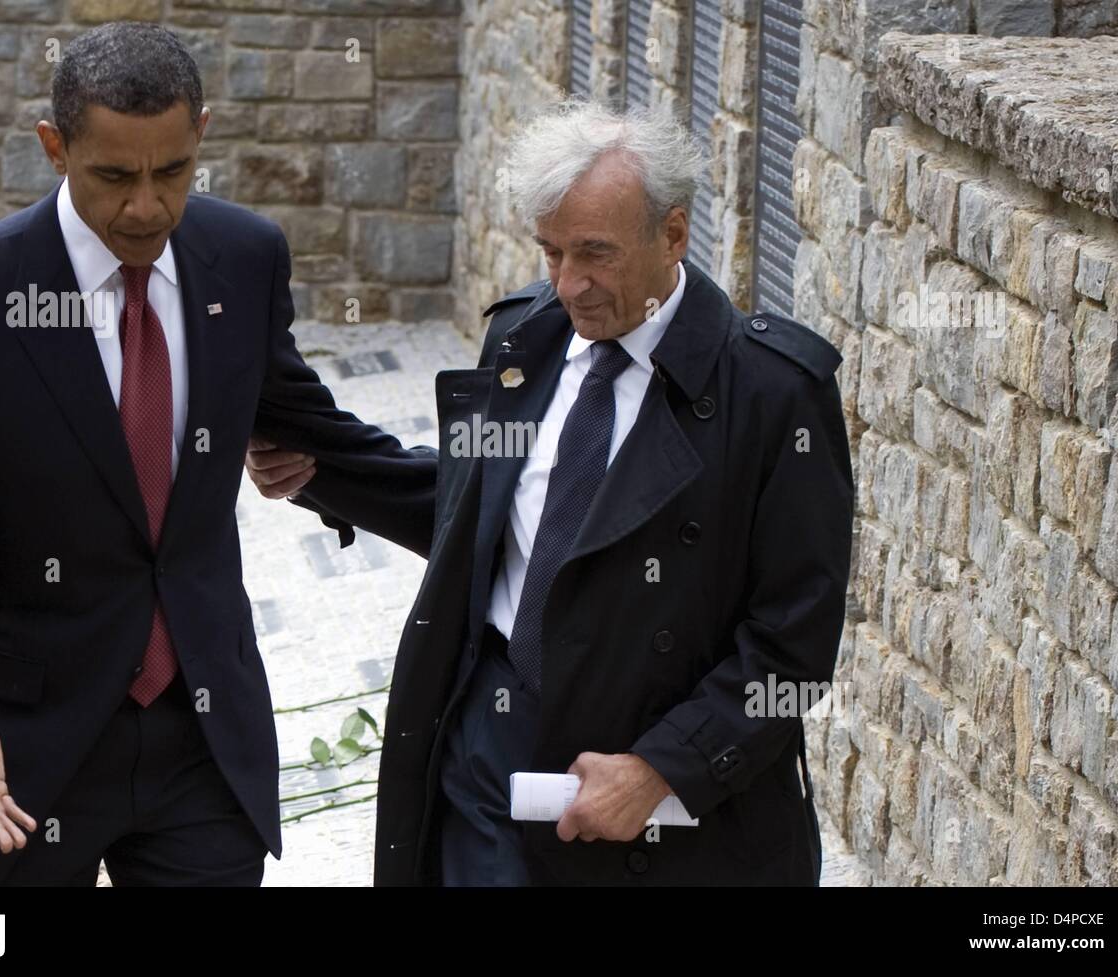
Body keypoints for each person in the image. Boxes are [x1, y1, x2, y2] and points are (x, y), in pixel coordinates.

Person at [0, 22, 433, 886]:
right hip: (21, 749)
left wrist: (503, 509)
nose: (146, 207)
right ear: (55, 147)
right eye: (114, 176)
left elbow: (316, 433)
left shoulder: (243, 259)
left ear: (201, 132)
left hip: (200, 737)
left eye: (172, 172)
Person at [253, 99, 855, 885]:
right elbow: (478, 508)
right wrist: (327, 471)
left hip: (652, 785)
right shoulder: (525, 338)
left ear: (673, 234)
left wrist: (660, 768)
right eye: (551, 252)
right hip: (489, 740)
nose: (570, 285)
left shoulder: (774, 396)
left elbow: (792, 646)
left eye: (595, 254)